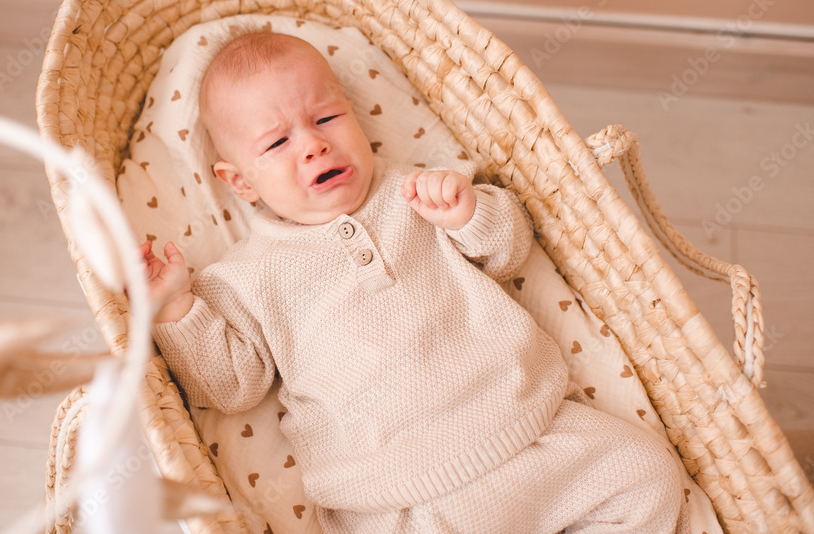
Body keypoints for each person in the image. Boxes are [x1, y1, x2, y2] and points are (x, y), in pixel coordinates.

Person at [143, 31, 687, 533]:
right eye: (276, 143)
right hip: (396, 497)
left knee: (647, 475)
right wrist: (175, 309)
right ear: (240, 182)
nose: (313, 145)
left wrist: (469, 212)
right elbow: (228, 389)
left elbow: (509, 252)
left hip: (532, 431)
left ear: (355, 117)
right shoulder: (244, 275)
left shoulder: (419, 192)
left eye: (327, 118)